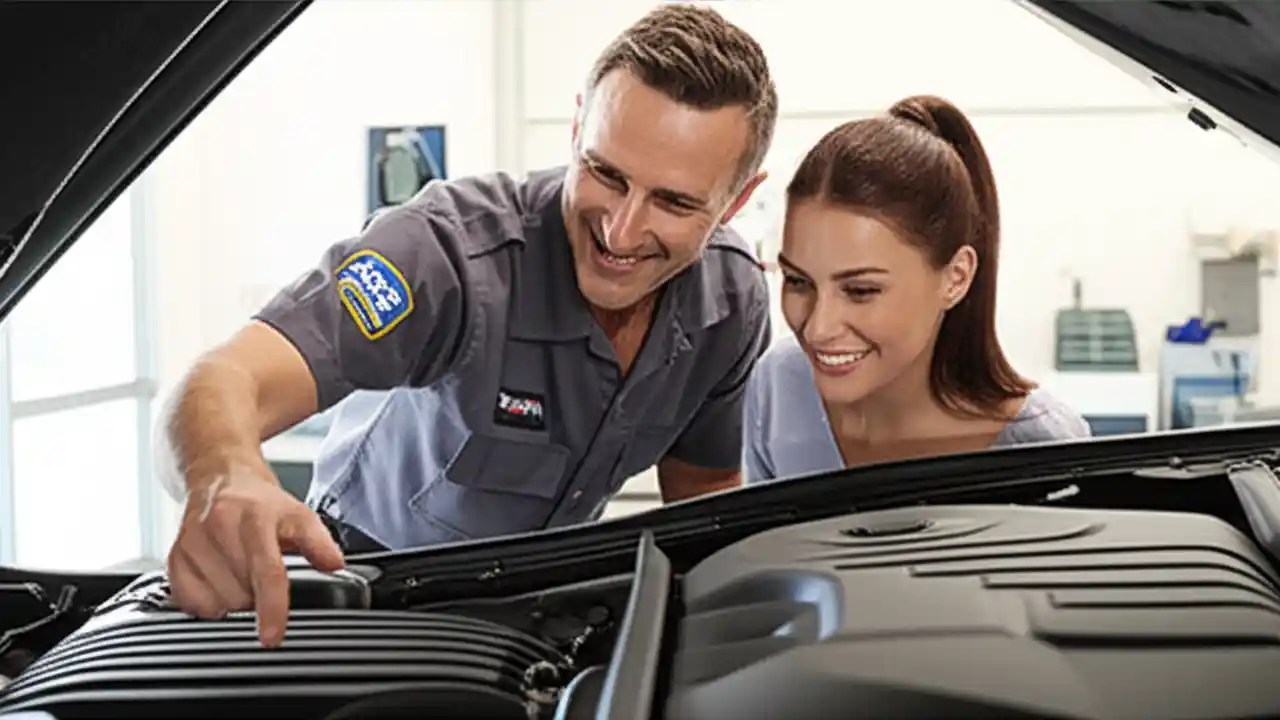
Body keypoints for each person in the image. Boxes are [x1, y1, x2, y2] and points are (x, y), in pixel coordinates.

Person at [158, 3, 778, 646]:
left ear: (735, 200)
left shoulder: (730, 303)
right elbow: (222, 379)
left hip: (535, 615)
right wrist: (223, 473)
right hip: (365, 596)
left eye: (674, 202)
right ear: (576, 130)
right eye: (605, 173)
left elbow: (702, 494)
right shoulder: (445, 254)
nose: (621, 231)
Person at [743, 95, 1089, 484]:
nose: (817, 329)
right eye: (799, 281)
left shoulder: (1041, 446)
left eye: (860, 290)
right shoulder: (777, 386)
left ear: (955, 278)